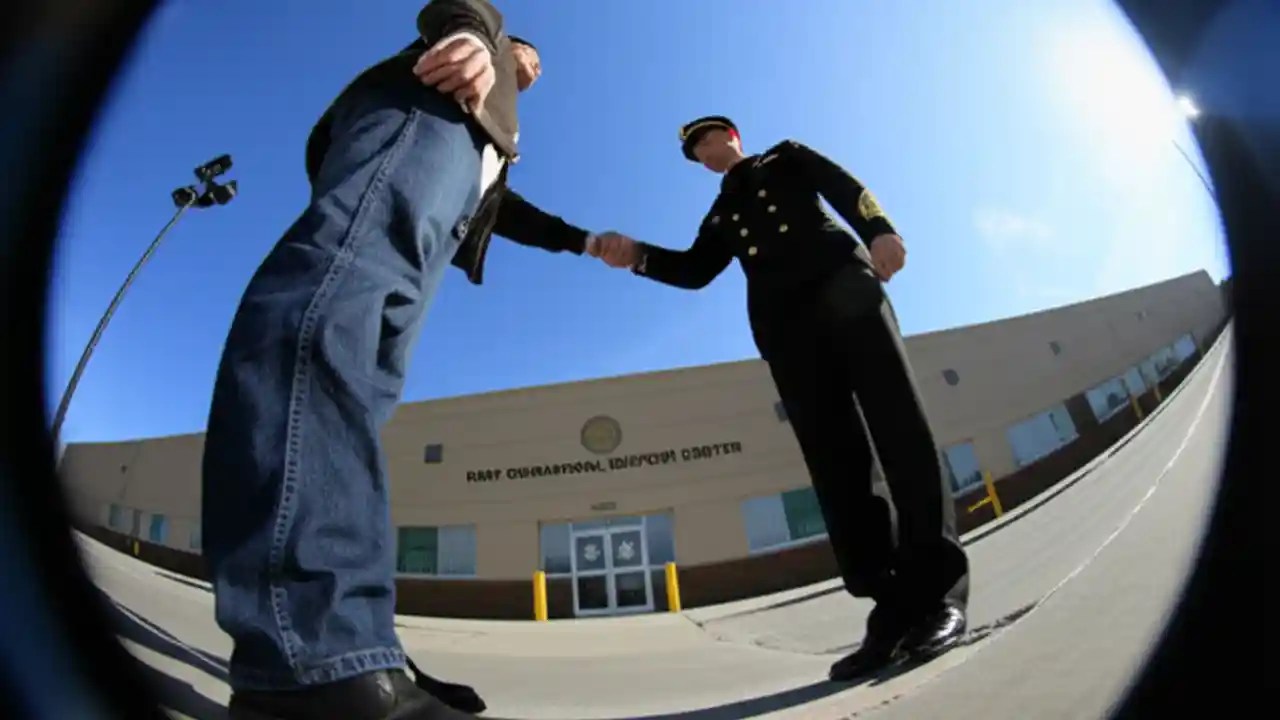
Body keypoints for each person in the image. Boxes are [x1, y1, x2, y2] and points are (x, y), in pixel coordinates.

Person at [200, 3, 598, 718]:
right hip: (422, 113)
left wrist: (582, 242)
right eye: (529, 59)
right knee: (329, 309)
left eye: (531, 66)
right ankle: (312, 666)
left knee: (359, 383)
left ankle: (352, 636)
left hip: (446, 199)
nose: (532, 71)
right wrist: (478, 38)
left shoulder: (496, 137)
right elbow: (467, 6)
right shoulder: (474, 67)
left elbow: (502, 209)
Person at [590, 116, 971, 682]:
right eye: (696, 151)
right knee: (835, 461)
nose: (704, 151)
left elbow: (846, 187)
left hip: (845, 287)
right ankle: (889, 608)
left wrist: (879, 229)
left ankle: (939, 596)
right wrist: (637, 255)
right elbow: (695, 270)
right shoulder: (720, 213)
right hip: (785, 328)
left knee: (900, 428)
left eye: (708, 139)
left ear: (732, 136)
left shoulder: (785, 157)